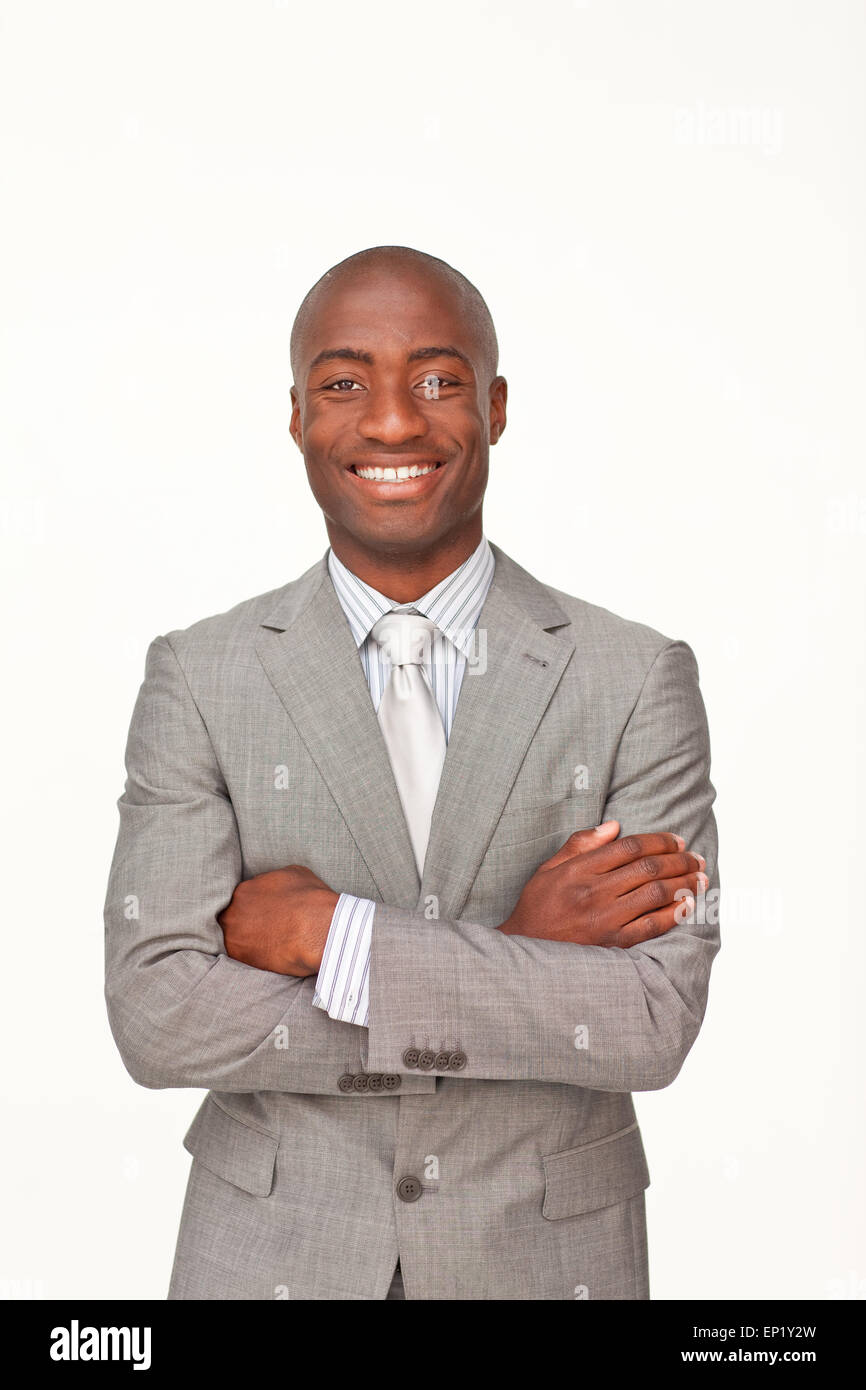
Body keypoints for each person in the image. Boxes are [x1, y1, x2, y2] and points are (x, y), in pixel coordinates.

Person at [103, 244, 720, 1301]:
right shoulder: (201, 675)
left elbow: (647, 1022)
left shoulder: (633, 676)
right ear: (295, 416)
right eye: (343, 384)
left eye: (437, 381)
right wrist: (514, 952)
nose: (392, 422)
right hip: (270, 1259)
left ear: (495, 404)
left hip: (541, 1257)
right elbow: (160, 1018)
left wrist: (333, 942)